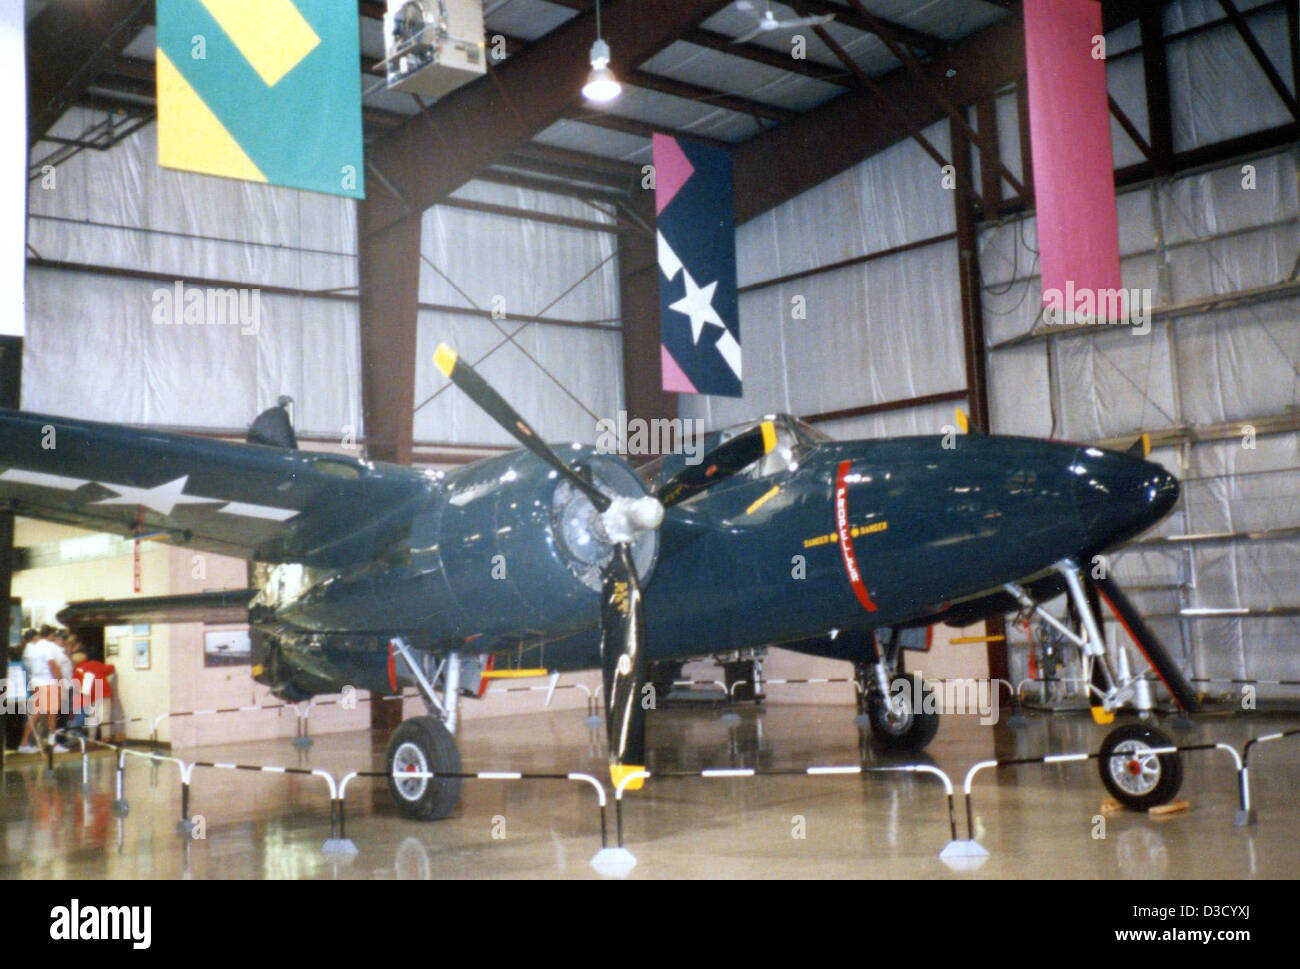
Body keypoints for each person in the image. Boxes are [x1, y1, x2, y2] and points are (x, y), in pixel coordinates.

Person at [18, 627, 67, 754]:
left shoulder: (28, 650)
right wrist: (60, 682)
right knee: (49, 714)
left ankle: (29, 743)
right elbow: (52, 665)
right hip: (47, 682)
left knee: (38, 713)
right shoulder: (45, 647)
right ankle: (49, 743)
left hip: (36, 682)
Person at [71, 648, 117, 741]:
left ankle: (92, 739)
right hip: (104, 691)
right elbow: (111, 668)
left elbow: (77, 687)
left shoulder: (77, 670)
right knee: (105, 715)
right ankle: (106, 737)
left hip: (90, 696)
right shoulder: (95, 664)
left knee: (92, 717)